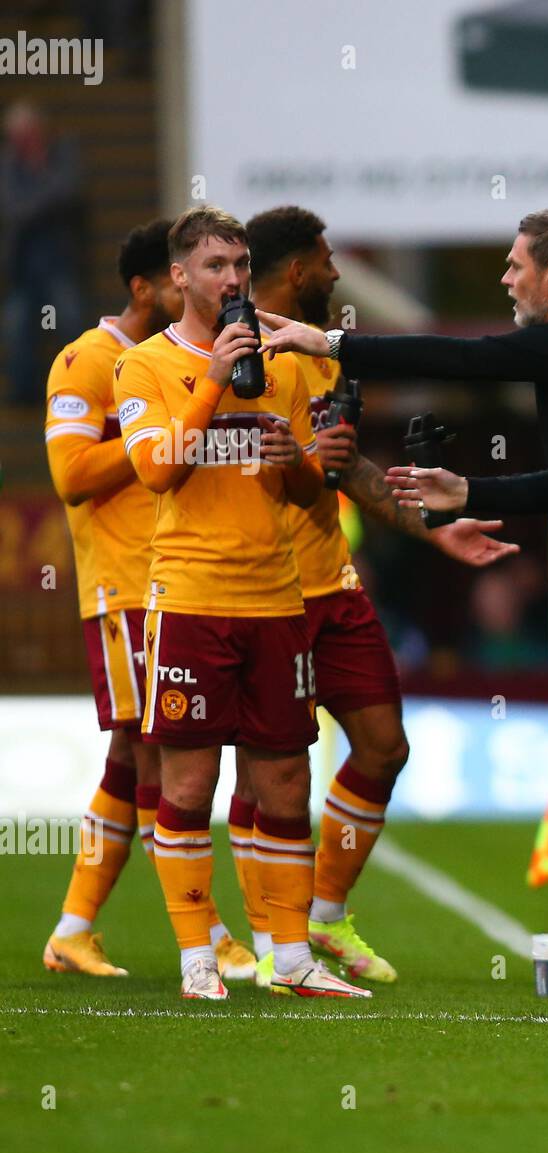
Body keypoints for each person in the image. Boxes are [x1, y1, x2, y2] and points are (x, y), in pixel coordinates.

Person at [261, 208, 548, 1005]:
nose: (504, 279)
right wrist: (472, 490)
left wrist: (330, 342)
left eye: (514, 265)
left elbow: (466, 358)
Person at [239, 205, 518, 989]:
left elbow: (346, 467)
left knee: (384, 746)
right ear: (297, 268)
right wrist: (302, 461)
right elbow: (243, 468)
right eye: (326, 259)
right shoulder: (237, 353)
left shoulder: (321, 354)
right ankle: (272, 940)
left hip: (333, 584)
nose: (334, 271)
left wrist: (436, 530)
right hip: (259, 589)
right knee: (268, 773)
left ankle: (324, 919)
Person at [117, 205, 366, 1001]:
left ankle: (290, 957)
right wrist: (215, 381)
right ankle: (199, 956)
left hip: (276, 596)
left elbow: (302, 491)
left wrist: (298, 460)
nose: (232, 280)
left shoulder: (283, 362)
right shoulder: (145, 367)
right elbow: (157, 468)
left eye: (240, 266)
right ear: (179, 277)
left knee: (285, 780)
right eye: (216, 266)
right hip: (190, 597)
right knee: (187, 786)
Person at [41, 220, 253, 982]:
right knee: (161, 757)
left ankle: (75, 925)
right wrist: (151, 441)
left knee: (134, 754)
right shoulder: (90, 361)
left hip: (165, 582)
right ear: (146, 286)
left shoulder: (177, 361)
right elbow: (68, 476)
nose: (208, 289)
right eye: (184, 276)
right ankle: (208, 932)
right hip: (125, 583)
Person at [1, 101, 84, 403]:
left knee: (72, 323)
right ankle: (24, 392)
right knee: (17, 327)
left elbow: (70, 191)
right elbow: (12, 208)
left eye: (25, 135)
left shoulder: (63, 153)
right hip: (23, 267)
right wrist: (45, 198)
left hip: (61, 262)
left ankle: (78, 384)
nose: (20, 143)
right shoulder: (8, 164)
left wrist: (33, 198)